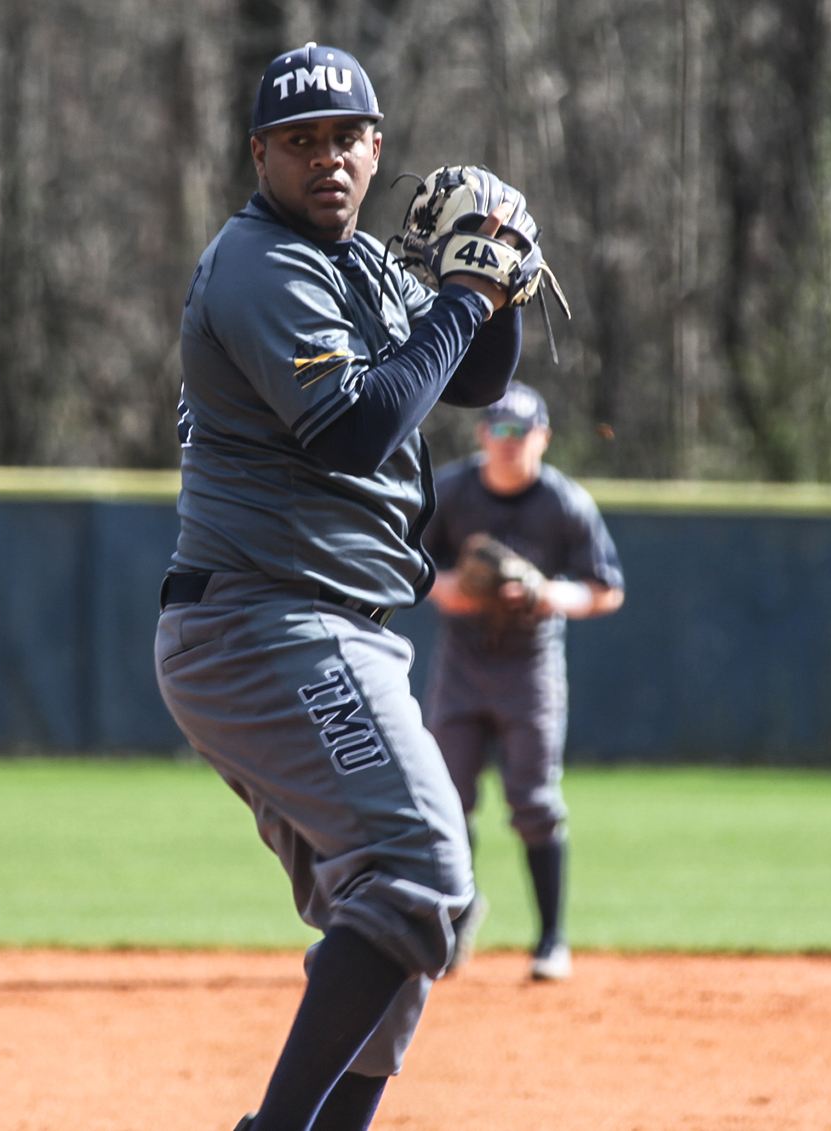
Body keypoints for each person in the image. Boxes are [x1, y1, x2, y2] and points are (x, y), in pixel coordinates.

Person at [153, 42, 525, 1131]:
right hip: (265, 621)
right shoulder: (260, 265)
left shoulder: (356, 263)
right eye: (300, 141)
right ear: (259, 153)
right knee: (416, 874)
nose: (326, 159)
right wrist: (458, 294)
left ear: (375, 149)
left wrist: (488, 289)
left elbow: (474, 378)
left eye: (345, 138)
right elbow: (358, 428)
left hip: (328, 628)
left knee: (411, 918)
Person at [423, 381, 624, 982]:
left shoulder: (564, 502)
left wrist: (545, 593)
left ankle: (551, 940)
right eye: (498, 431)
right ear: (483, 434)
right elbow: (415, 565)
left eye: (521, 432)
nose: (508, 443)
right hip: (461, 665)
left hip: (530, 667)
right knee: (444, 802)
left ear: (543, 437)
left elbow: (607, 588)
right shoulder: (453, 492)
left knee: (535, 803)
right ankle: (456, 919)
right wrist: (451, 590)